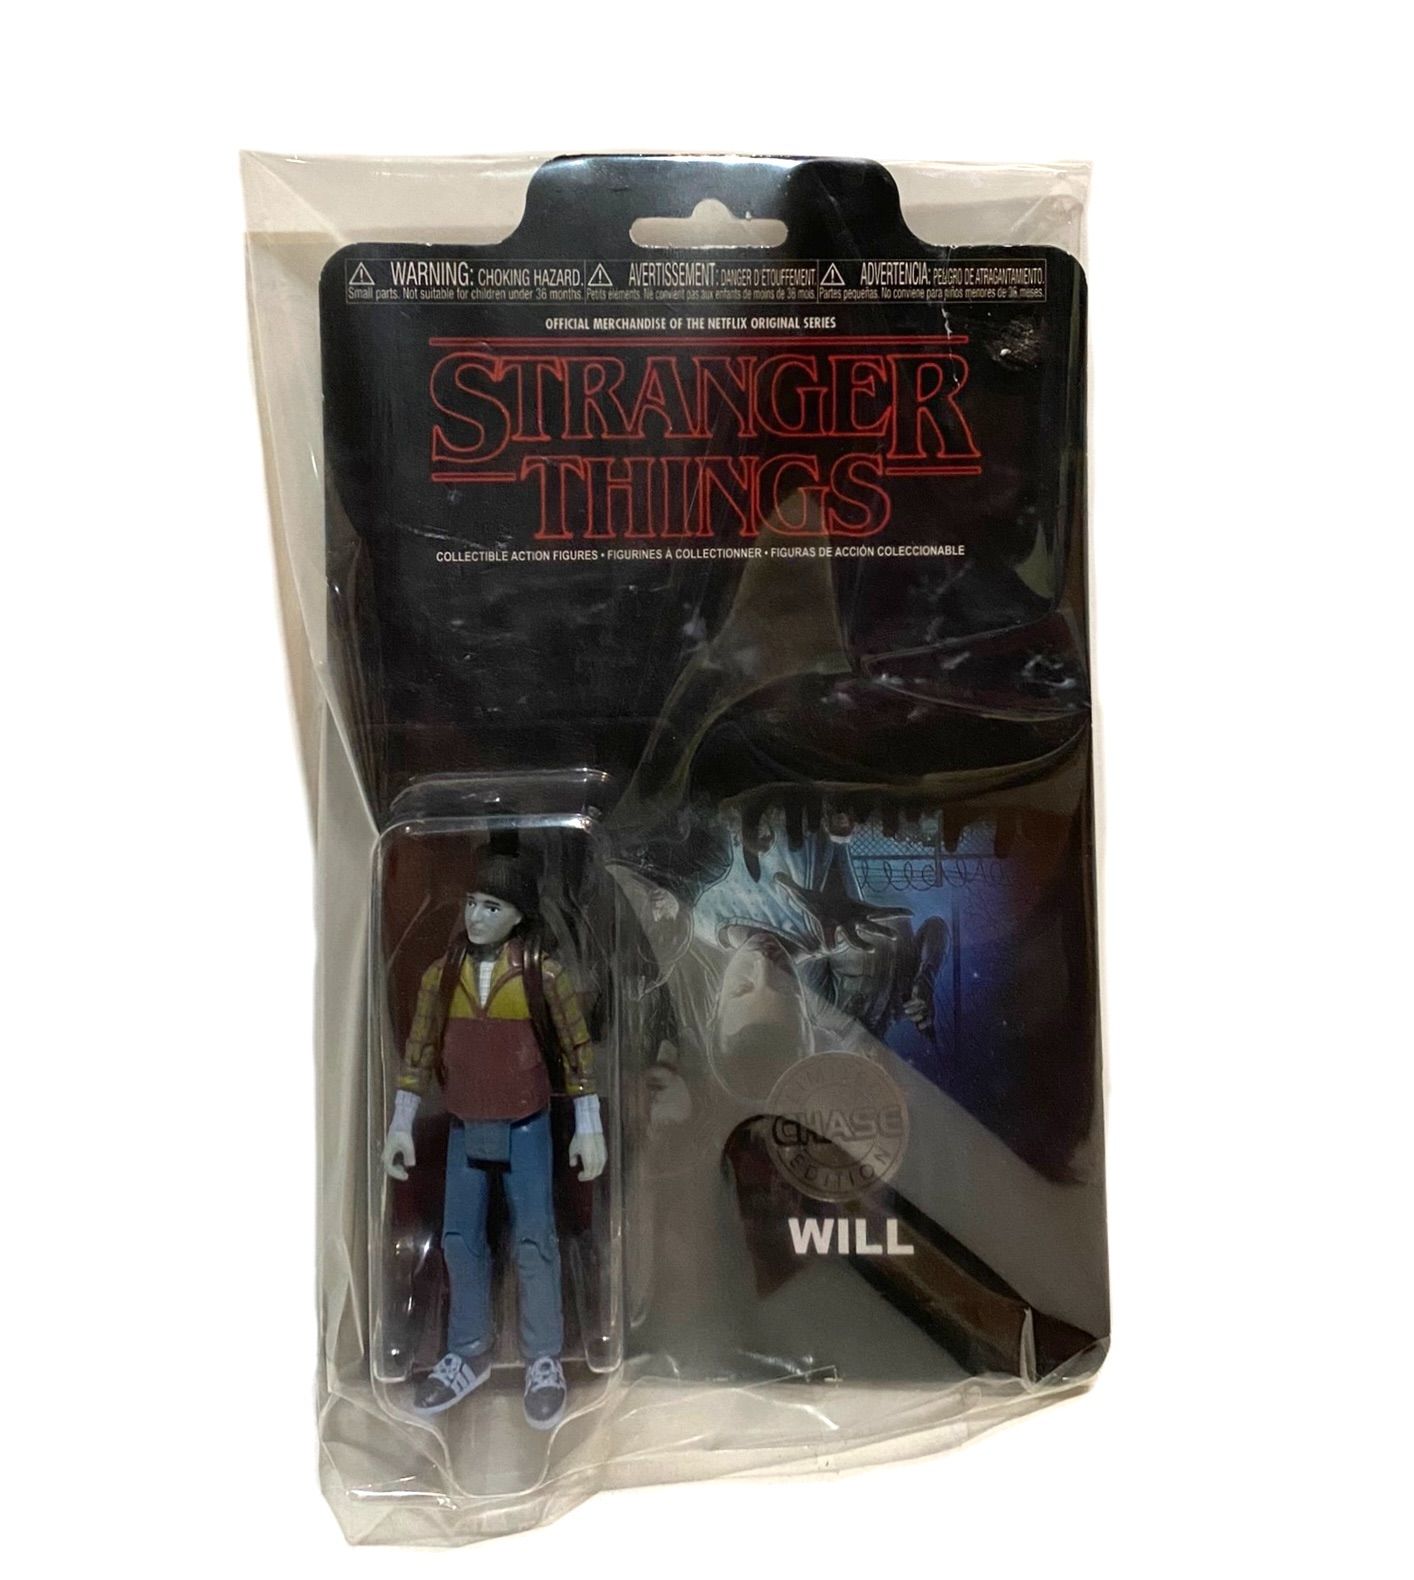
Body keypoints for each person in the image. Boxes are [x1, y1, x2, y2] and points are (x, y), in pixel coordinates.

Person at [381, 852, 607, 1429]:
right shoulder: (442, 976)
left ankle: (543, 1358)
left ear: (517, 916)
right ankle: (467, 1351)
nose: (476, 916)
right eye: (472, 903)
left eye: (492, 907)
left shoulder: (542, 976)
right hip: (464, 1125)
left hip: (527, 1127)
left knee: (535, 1240)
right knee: (459, 1240)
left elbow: (577, 1052)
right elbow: (418, 1052)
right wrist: (401, 1123)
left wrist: (588, 1126)